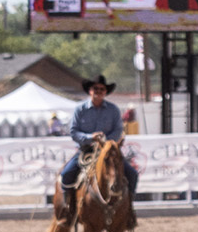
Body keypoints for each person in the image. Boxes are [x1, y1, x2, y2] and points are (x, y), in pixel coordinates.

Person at [58, 74, 138, 219]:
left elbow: (118, 130)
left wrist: (105, 142)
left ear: (105, 92)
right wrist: (90, 137)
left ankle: (129, 210)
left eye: (102, 89)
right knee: (66, 174)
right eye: (96, 88)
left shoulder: (113, 110)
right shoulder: (80, 109)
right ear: (90, 90)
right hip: (86, 150)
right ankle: (68, 208)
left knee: (132, 174)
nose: (99, 91)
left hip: (109, 152)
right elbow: (73, 131)